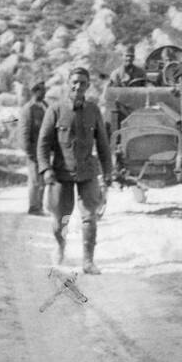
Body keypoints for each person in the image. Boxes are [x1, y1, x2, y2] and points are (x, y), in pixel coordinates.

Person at [37, 65, 112, 274]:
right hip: (62, 173)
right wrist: (45, 169)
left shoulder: (93, 111)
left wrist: (107, 171)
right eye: (75, 82)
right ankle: (60, 247)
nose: (78, 87)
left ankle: (88, 261)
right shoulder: (55, 110)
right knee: (61, 217)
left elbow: (103, 145)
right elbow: (43, 143)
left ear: (88, 86)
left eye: (83, 83)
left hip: (88, 172)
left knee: (90, 217)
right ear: (68, 85)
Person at [19, 79, 48, 215]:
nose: (44, 92)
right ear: (35, 91)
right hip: (34, 152)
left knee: (43, 181)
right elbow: (25, 133)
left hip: (45, 151)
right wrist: (29, 152)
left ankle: (39, 206)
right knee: (35, 180)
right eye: (42, 90)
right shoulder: (28, 110)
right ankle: (34, 207)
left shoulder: (45, 106)